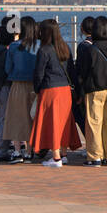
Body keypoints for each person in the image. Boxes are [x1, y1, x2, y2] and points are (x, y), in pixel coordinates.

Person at [30, 19, 81, 166]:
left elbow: (39, 73)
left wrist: (37, 89)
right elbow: (72, 71)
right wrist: (77, 91)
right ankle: (64, 154)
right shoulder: (65, 48)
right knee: (64, 122)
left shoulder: (44, 50)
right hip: (65, 90)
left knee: (52, 123)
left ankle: (56, 157)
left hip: (50, 90)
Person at [77, 16, 107, 166]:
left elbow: (83, 71)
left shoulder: (91, 48)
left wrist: (81, 89)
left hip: (95, 89)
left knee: (94, 123)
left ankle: (95, 156)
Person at [2, 16, 39, 162]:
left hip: (17, 84)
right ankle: (29, 152)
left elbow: (7, 68)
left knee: (16, 118)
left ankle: (17, 152)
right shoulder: (39, 46)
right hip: (35, 86)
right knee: (32, 119)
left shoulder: (13, 47)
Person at [0, 18, 18, 162]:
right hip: (6, 87)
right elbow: (8, 70)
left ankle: (6, 146)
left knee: (2, 117)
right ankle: (1, 150)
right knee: (5, 120)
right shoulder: (7, 52)